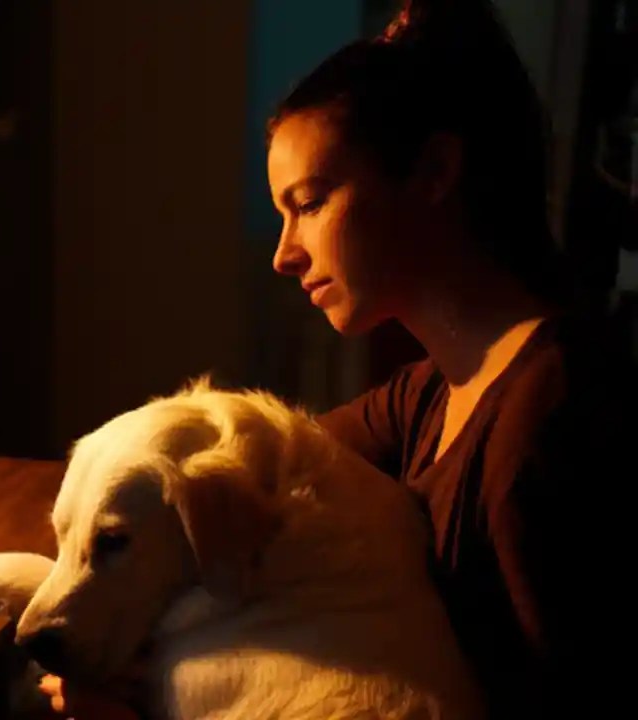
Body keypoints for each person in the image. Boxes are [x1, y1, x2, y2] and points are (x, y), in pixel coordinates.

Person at [40, 0, 627, 717]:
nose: (286, 254)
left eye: (310, 204)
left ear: (435, 170)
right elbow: (248, 473)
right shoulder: (426, 396)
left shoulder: (547, 417)